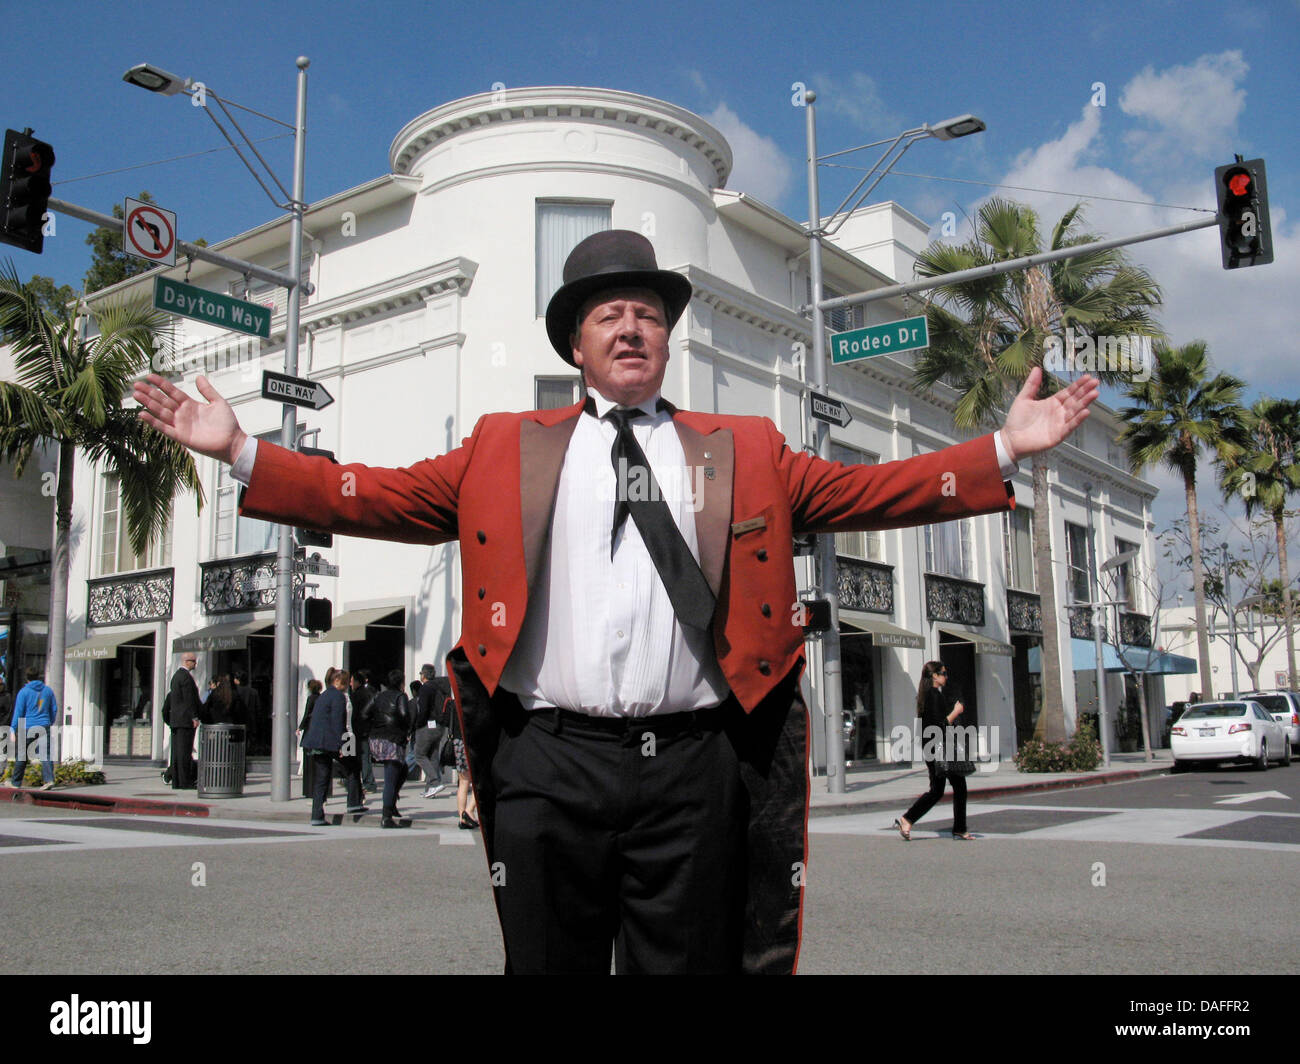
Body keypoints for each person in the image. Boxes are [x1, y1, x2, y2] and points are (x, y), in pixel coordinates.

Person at [134, 228, 1099, 974]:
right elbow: (374, 494)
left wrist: (1003, 450)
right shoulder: (505, 446)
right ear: (578, 346)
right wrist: (243, 453)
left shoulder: (746, 446)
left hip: (695, 765)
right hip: (549, 760)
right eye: (609, 317)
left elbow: (873, 491)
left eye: (647, 313)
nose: (632, 327)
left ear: (667, 339)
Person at [895, 661, 973, 841]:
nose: (946, 676)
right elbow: (940, 725)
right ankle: (910, 819)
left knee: (942, 789)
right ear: (934, 676)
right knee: (950, 788)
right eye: (944, 673)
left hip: (933, 746)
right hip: (939, 747)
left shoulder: (928, 695)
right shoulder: (933, 695)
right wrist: (956, 711)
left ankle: (908, 819)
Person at [301, 669, 363, 826]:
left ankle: (317, 815)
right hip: (331, 741)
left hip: (316, 741)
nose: (347, 684)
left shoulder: (323, 696)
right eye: (345, 681)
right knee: (353, 767)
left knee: (322, 778)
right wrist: (341, 745)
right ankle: (354, 803)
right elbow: (338, 722)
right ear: (337, 682)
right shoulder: (338, 697)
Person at [361, 669, 413, 828]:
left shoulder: (378, 695)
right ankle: (386, 816)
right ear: (401, 682)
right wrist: (406, 729)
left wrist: (375, 724)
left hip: (376, 739)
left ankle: (392, 804)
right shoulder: (400, 696)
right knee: (391, 778)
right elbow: (404, 715)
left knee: (402, 770)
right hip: (392, 739)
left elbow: (364, 713)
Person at [8, 667, 58, 790]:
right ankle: (49, 780)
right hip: (44, 725)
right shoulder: (48, 691)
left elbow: (18, 712)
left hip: (28, 727)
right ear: (39, 676)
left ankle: (16, 783)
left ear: (27, 678)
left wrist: (13, 729)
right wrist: (49, 722)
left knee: (22, 755)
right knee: (45, 754)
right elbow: (54, 709)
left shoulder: (24, 692)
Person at [411, 663, 450, 799]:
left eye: (421, 673)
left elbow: (423, 709)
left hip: (427, 725)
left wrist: (417, 725)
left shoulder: (425, 688)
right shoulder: (440, 686)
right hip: (439, 726)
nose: (420, 676)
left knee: (419, 755)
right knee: (433, 755)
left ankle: (435, 781)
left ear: (424, 675)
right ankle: (431, 789)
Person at [167, 653, 202, 790]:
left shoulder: (176, 676)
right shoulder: (186, 678)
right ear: (187, 662)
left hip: (176, 721)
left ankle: (177, 781)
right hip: (185, 721)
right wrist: (194, 717)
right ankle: (185, 781)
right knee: (184, 752)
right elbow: (189, 700)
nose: (195, 664)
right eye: (193, 661)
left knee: (176, 752)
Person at [350, 669, 378, 793]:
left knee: (362, 756)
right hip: (367, 729)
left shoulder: (357, 695)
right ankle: (364, 782)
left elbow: (356, 714)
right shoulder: (370, 692)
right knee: (364, 756)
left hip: (359, 730)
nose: (350, 684)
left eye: (352, 681)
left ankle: (368, 783)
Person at [299, 678, 323, 799]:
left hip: (309, 732)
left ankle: (308, 790)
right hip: (318, 732)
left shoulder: (311, 699)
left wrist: (300, 727)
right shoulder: (321, 698)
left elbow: (307, 713)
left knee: (308, 758)